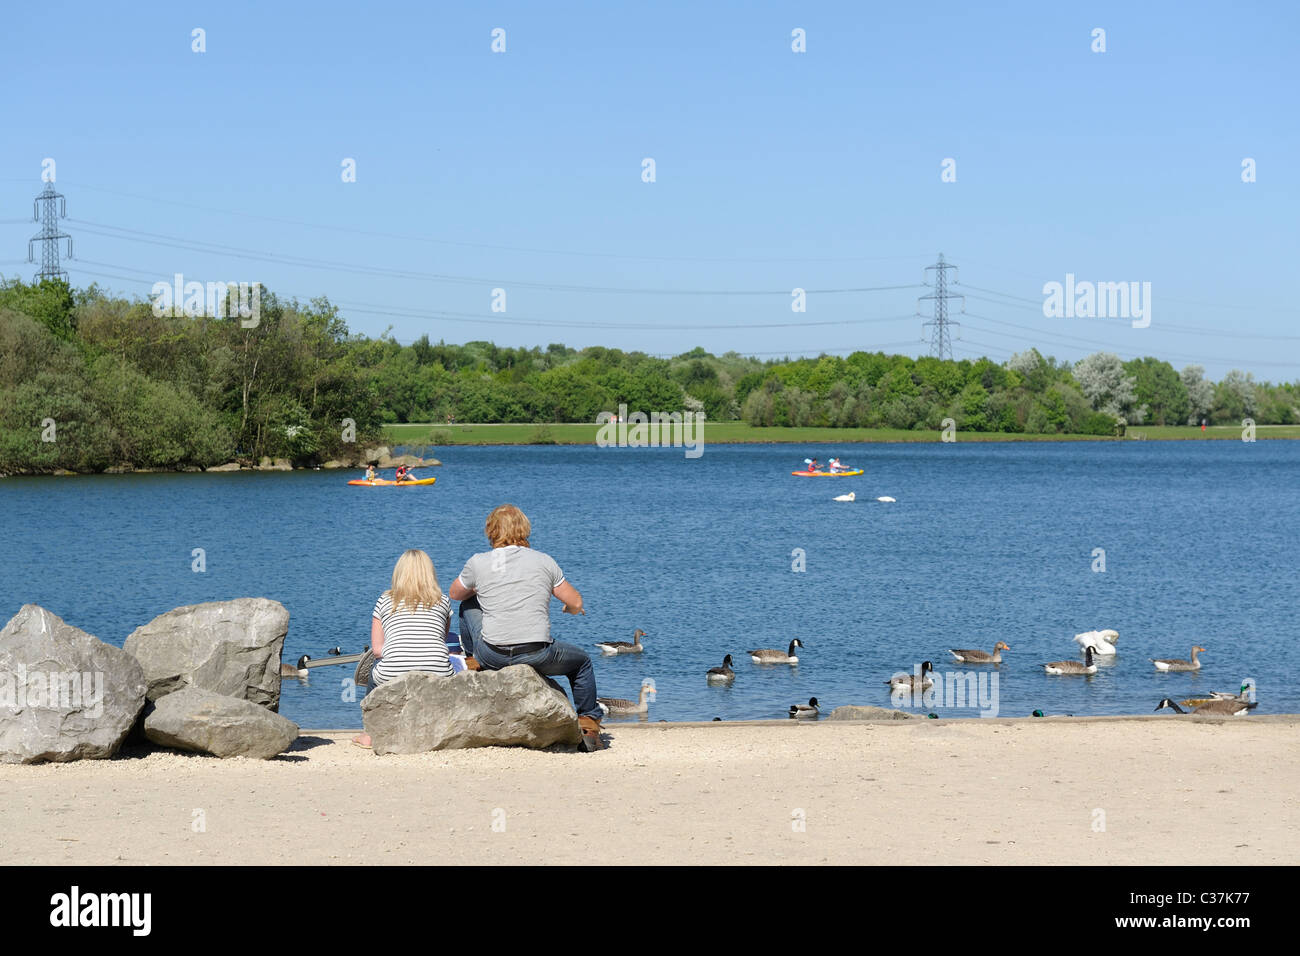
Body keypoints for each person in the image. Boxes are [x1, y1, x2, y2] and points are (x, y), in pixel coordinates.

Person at [449, 504, 605, 751]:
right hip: (536, 653)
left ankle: (473, 660)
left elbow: (456, 593)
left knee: (469, 603)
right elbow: (575, 602)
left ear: (490, 531)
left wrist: (481, 586)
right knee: (582, 662)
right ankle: (588, 724)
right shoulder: (544, 561)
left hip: (493, 653)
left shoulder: (478, 562)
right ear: (524, 529)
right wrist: (570, 609)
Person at [352, 549, 453, 748]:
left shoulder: (385, 600)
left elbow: (378, 650)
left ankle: (370, 734)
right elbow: (441, 639)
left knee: (375, 673)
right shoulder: (443, 600)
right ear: (430, 573)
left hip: (393, 670)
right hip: (438, 670)